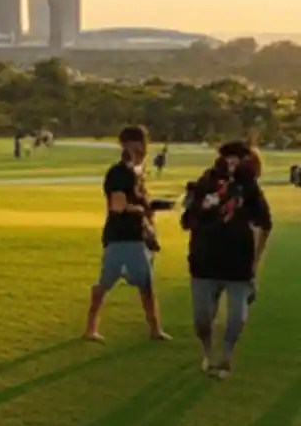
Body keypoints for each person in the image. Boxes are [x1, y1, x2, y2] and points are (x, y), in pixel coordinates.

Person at [181, 143, 271, 378]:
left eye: (237, 160)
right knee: (202, 319)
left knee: (236, 319)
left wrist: (255, 262)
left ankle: (226, 357)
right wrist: (199, 204)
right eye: (228, 159)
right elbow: (187, 220)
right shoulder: (205, 182)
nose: (232, 164)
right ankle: (207, 352)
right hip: (204, 262)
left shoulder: (249, 189)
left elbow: (265, 224)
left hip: (239, 267)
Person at [83, 125, 171, 344]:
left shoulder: (135, 174)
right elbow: (118, 206)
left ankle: (154, 330)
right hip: (123, 238)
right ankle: (92, 329)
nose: (142, 150)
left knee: (143, 285)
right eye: (139, 145)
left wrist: (151, 208)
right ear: (130, 146)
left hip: (136, 237)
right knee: (110, 285)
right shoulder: (119, 173)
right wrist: (142, 210)